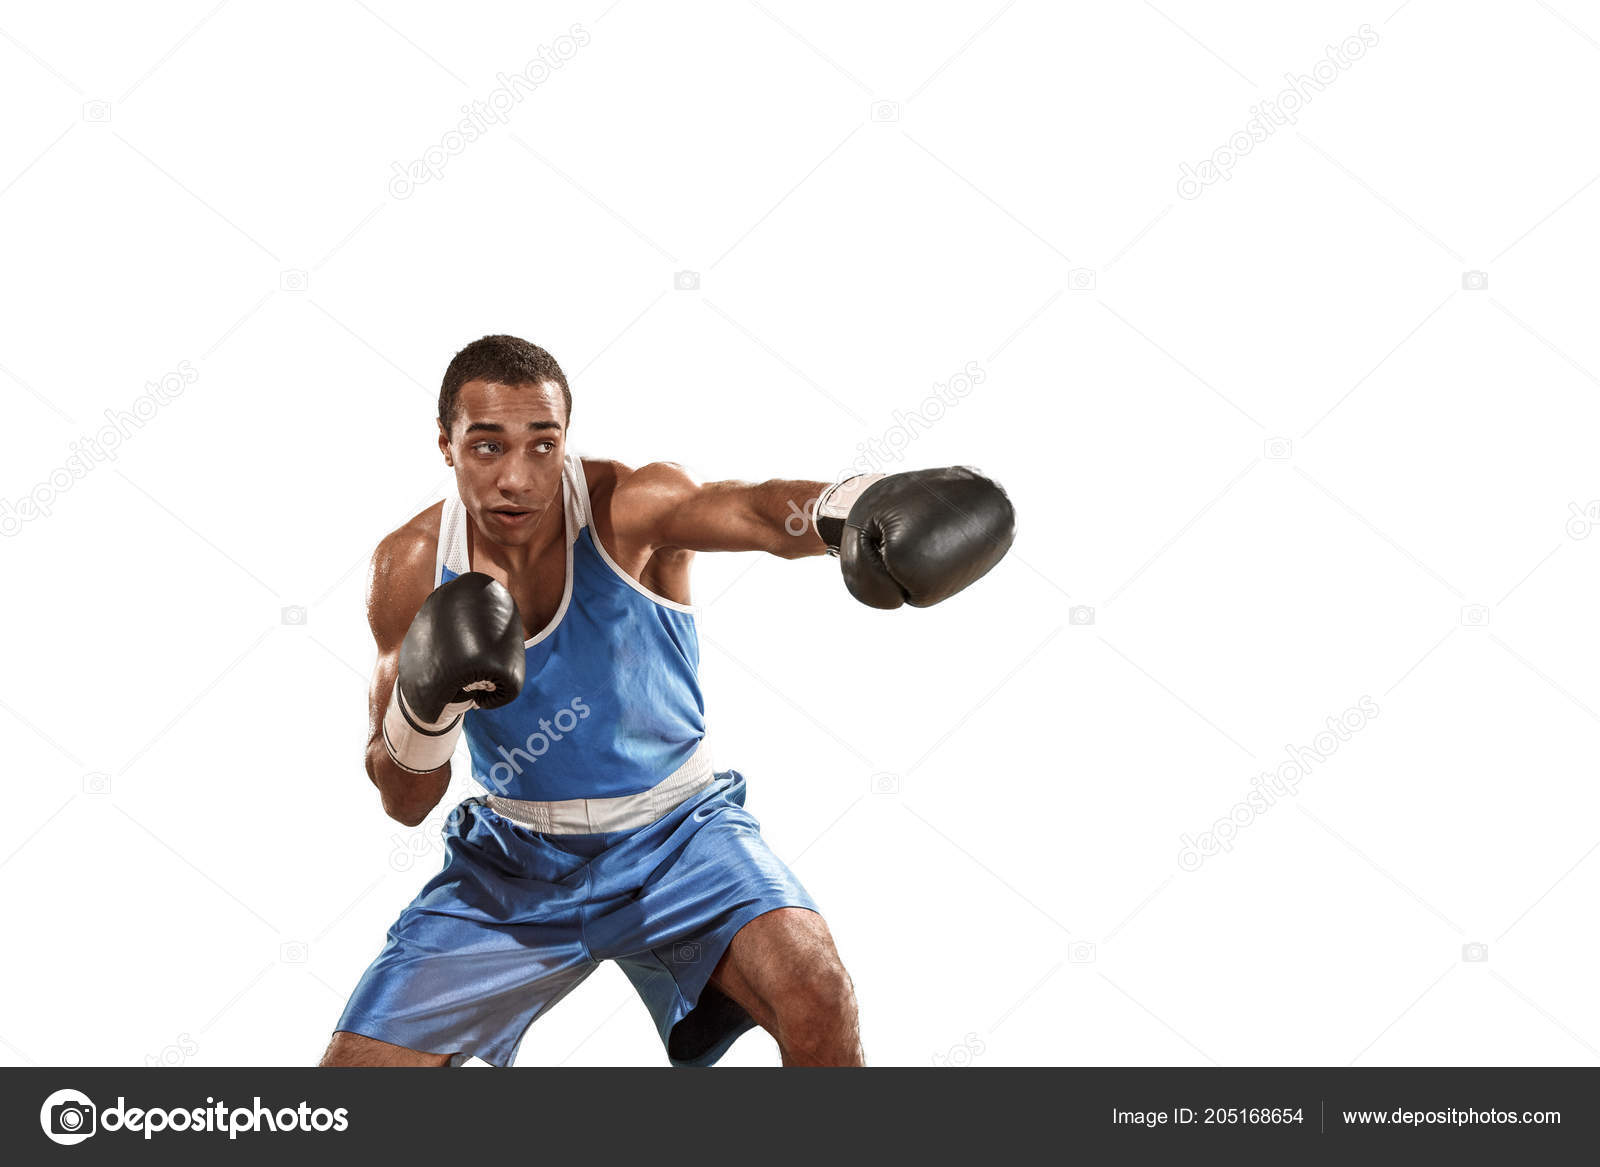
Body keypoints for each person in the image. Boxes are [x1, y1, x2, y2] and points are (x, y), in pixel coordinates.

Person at [320, 335, 1015, 1067]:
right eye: (488, 447)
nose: (517, 479)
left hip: (681, 837)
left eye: (542, 444)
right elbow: (403, 799)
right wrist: (424, 712)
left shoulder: (628, 508)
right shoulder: (410, 566)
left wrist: (854, 506)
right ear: (446, 443)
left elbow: (751, 512)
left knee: (817, 989)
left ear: (564, 440)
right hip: (514, 863)